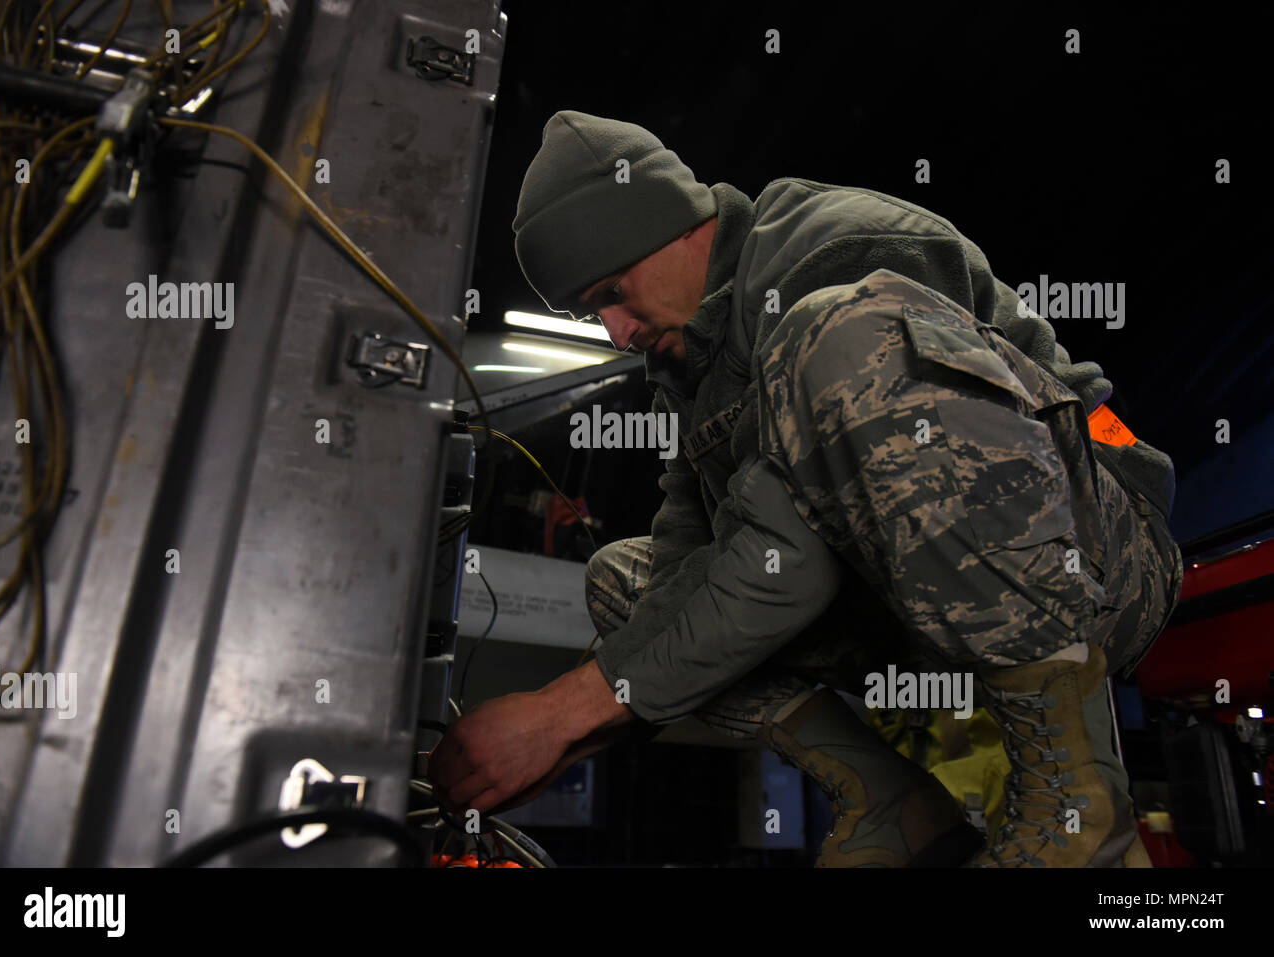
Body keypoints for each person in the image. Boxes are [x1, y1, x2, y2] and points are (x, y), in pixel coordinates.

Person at [427, 110, 1183, 867]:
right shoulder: (689, 363)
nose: (616, 332)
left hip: (1099, 560)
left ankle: (1074, 798)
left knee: (840, 339)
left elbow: (790, 554)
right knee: (628, 585)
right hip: (923, 607)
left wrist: (559, 713)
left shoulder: (833, 252)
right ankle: (893, 803)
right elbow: (689, 554)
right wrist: (575, 731)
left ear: (668, 225)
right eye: (593, 313)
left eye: (612, 292)